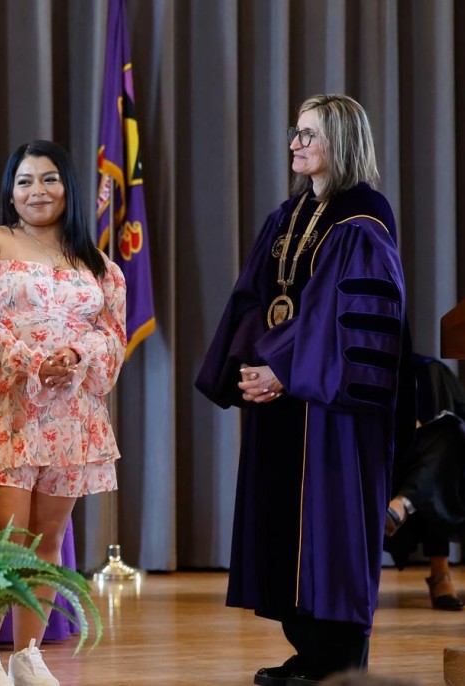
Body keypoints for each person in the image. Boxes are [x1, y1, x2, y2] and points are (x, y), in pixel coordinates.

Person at [196, 94, 411, 685]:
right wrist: (247, 366)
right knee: (283, 530)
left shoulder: (364, 220)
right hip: (282, 400)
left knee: (330, 530)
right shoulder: (287, 217)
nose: (295, 143)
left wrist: (285, 371)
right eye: (295, 131)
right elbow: (254, 297)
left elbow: (346, 319)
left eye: (309, 133)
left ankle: (337, 662)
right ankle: (310, 654)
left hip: (333, 407)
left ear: (340, 141)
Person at [0, 140, 126, 686]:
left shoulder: (98, 264)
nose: (37, 191)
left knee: (46, 542)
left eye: (49, 179)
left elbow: (112, 337)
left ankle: (27, 657)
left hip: (70, 416)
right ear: (10, 191)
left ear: (67, 187)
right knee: (2, 538)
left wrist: (75, 356)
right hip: (4, 408)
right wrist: (32, 363)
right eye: (24, 181)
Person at [384, 354, 465, 611]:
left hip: (433, 461)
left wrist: (426, 429)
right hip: (383, 460)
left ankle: (401, 505)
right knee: (436, 472)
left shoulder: (433, 370)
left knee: (449, 436)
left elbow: (462, 417)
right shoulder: (366, 367)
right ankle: (440, 575)